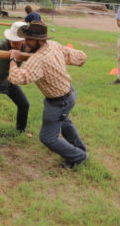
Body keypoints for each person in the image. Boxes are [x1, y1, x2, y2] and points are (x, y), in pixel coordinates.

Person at [6, 21, 89, 168]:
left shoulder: (39, 59)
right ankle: (79, 150)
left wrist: (13, 59)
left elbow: (16, 78)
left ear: (41, 40)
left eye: (30, 40)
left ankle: (79, 156)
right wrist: (80, 60)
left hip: (59, 101)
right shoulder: (53, 45)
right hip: (68, 94)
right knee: (63, 121)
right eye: (26, 39)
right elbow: (79, 56)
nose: (26, 43)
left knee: (48, 138)